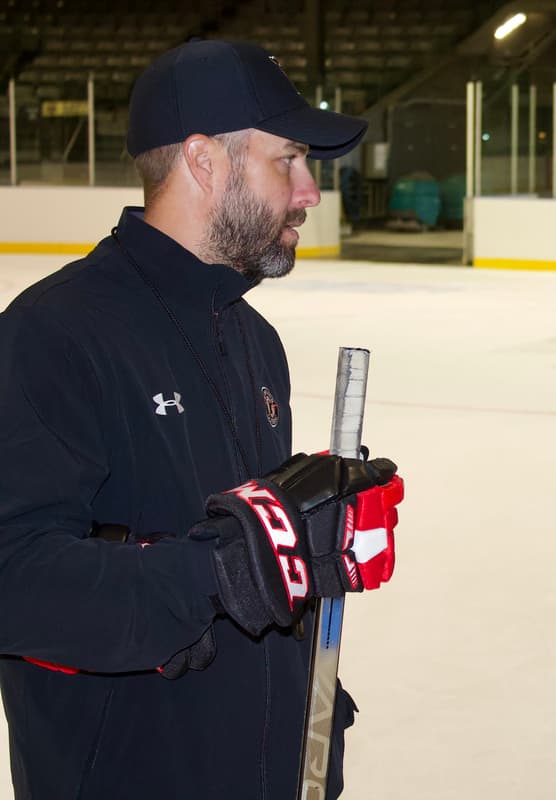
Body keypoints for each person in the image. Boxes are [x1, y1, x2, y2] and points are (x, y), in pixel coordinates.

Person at [0, 39, 404, 799]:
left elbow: (258, 585)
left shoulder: (254, 342)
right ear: (203, 160)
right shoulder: (56, 334)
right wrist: (217, 570)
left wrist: (309, 719)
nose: (310, 191)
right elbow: (12, 577)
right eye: (287, 159)